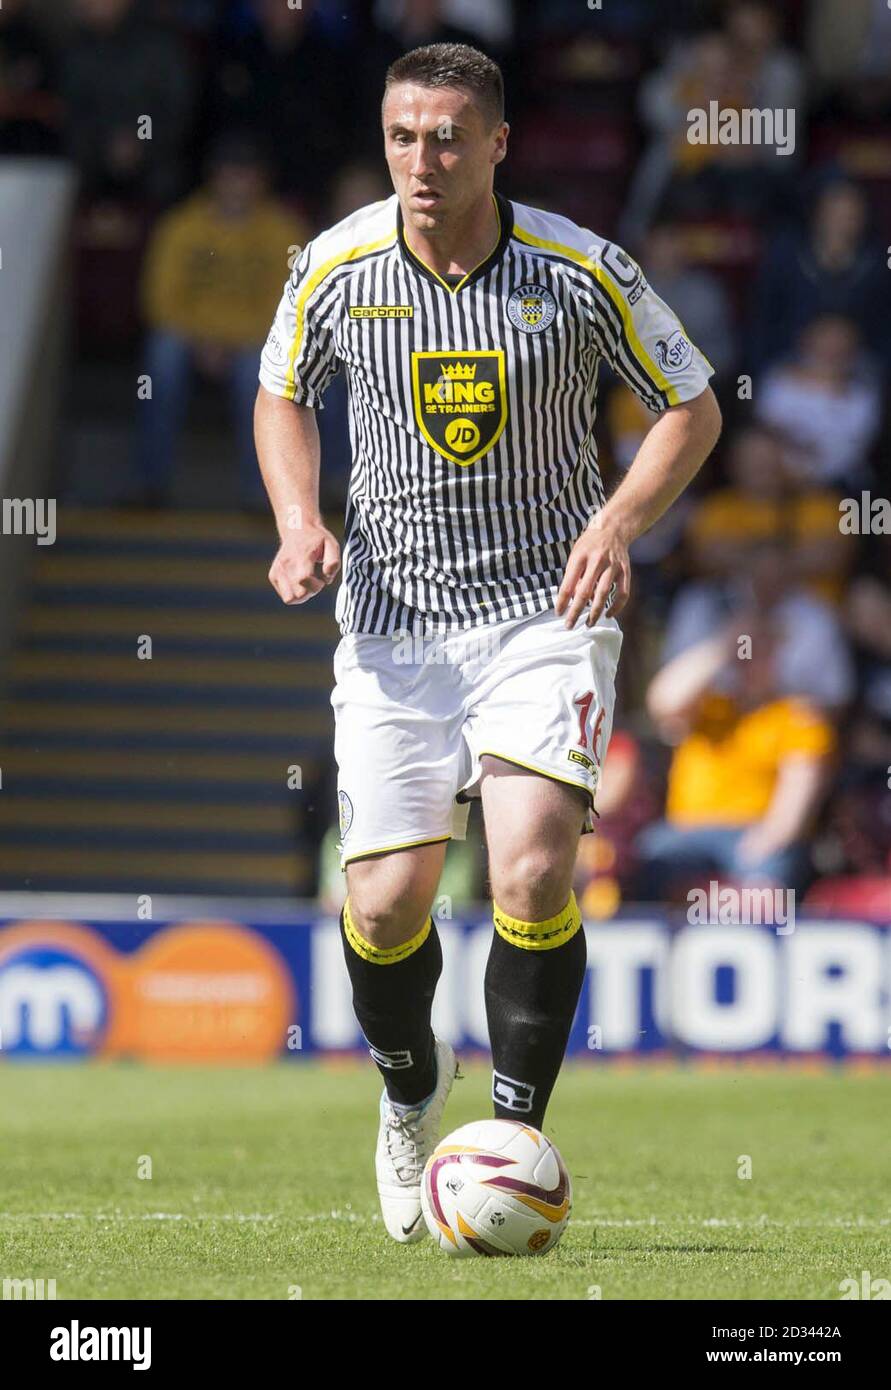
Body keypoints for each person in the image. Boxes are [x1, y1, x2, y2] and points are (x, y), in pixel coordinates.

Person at [254, 43, 721, 1243]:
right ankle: (413, 1088)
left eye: (452, 135)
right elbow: (279, 390)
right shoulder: (336, 264)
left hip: (541, 611)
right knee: (387, 908)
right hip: (394, 625)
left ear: (500, 143)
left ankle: (516, 1129)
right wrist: (301, 519)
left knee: (530, 868)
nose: (425, 158)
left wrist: (620, 520)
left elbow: (693, 400)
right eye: (406, 135)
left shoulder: (580, 268)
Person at [136, 134, 305, 507]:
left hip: (252, 342)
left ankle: (262, 493)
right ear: (213, 177)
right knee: (161, 359)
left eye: (246, 174)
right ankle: (151, 483)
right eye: (229, 173)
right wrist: (202, 341)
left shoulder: (282, 230)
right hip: (190, 339)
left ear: (262, 179)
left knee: (260, 374)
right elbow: (159, 299)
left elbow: (292, 304)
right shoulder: (181, 225)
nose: (237, 183)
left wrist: (231, 342)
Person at [638, 618, 837, 899]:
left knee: (767, 877)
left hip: (753, 834)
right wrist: (723, 647)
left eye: (761, 653)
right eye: (745, 653)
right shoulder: (706, 707)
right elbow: (663, 700)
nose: (750, 662)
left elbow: (799, 794)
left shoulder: (798, 717)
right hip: (686, 832)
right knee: (649, 857)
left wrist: (769, 840)